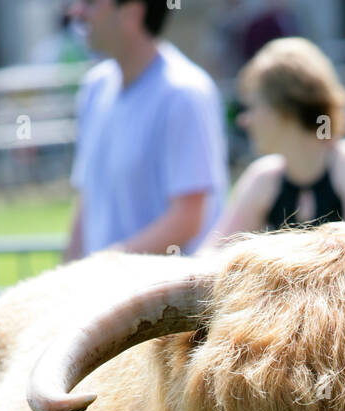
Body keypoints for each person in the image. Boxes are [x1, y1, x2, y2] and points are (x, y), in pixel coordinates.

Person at [65, 0, 228, 259]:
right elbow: (88, 200)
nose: (76, 11)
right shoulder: (95, 87)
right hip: (104, 291)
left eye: (91, 3)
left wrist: (105, 265)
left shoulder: (184, 94)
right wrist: (67, 279)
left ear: (132, 11)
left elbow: (188, 219)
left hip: (167, 297)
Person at [202, 36, 345, 245]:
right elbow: (211, 258)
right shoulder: (263, 178)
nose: (244, 120)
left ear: (285, 110)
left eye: (251, 107)